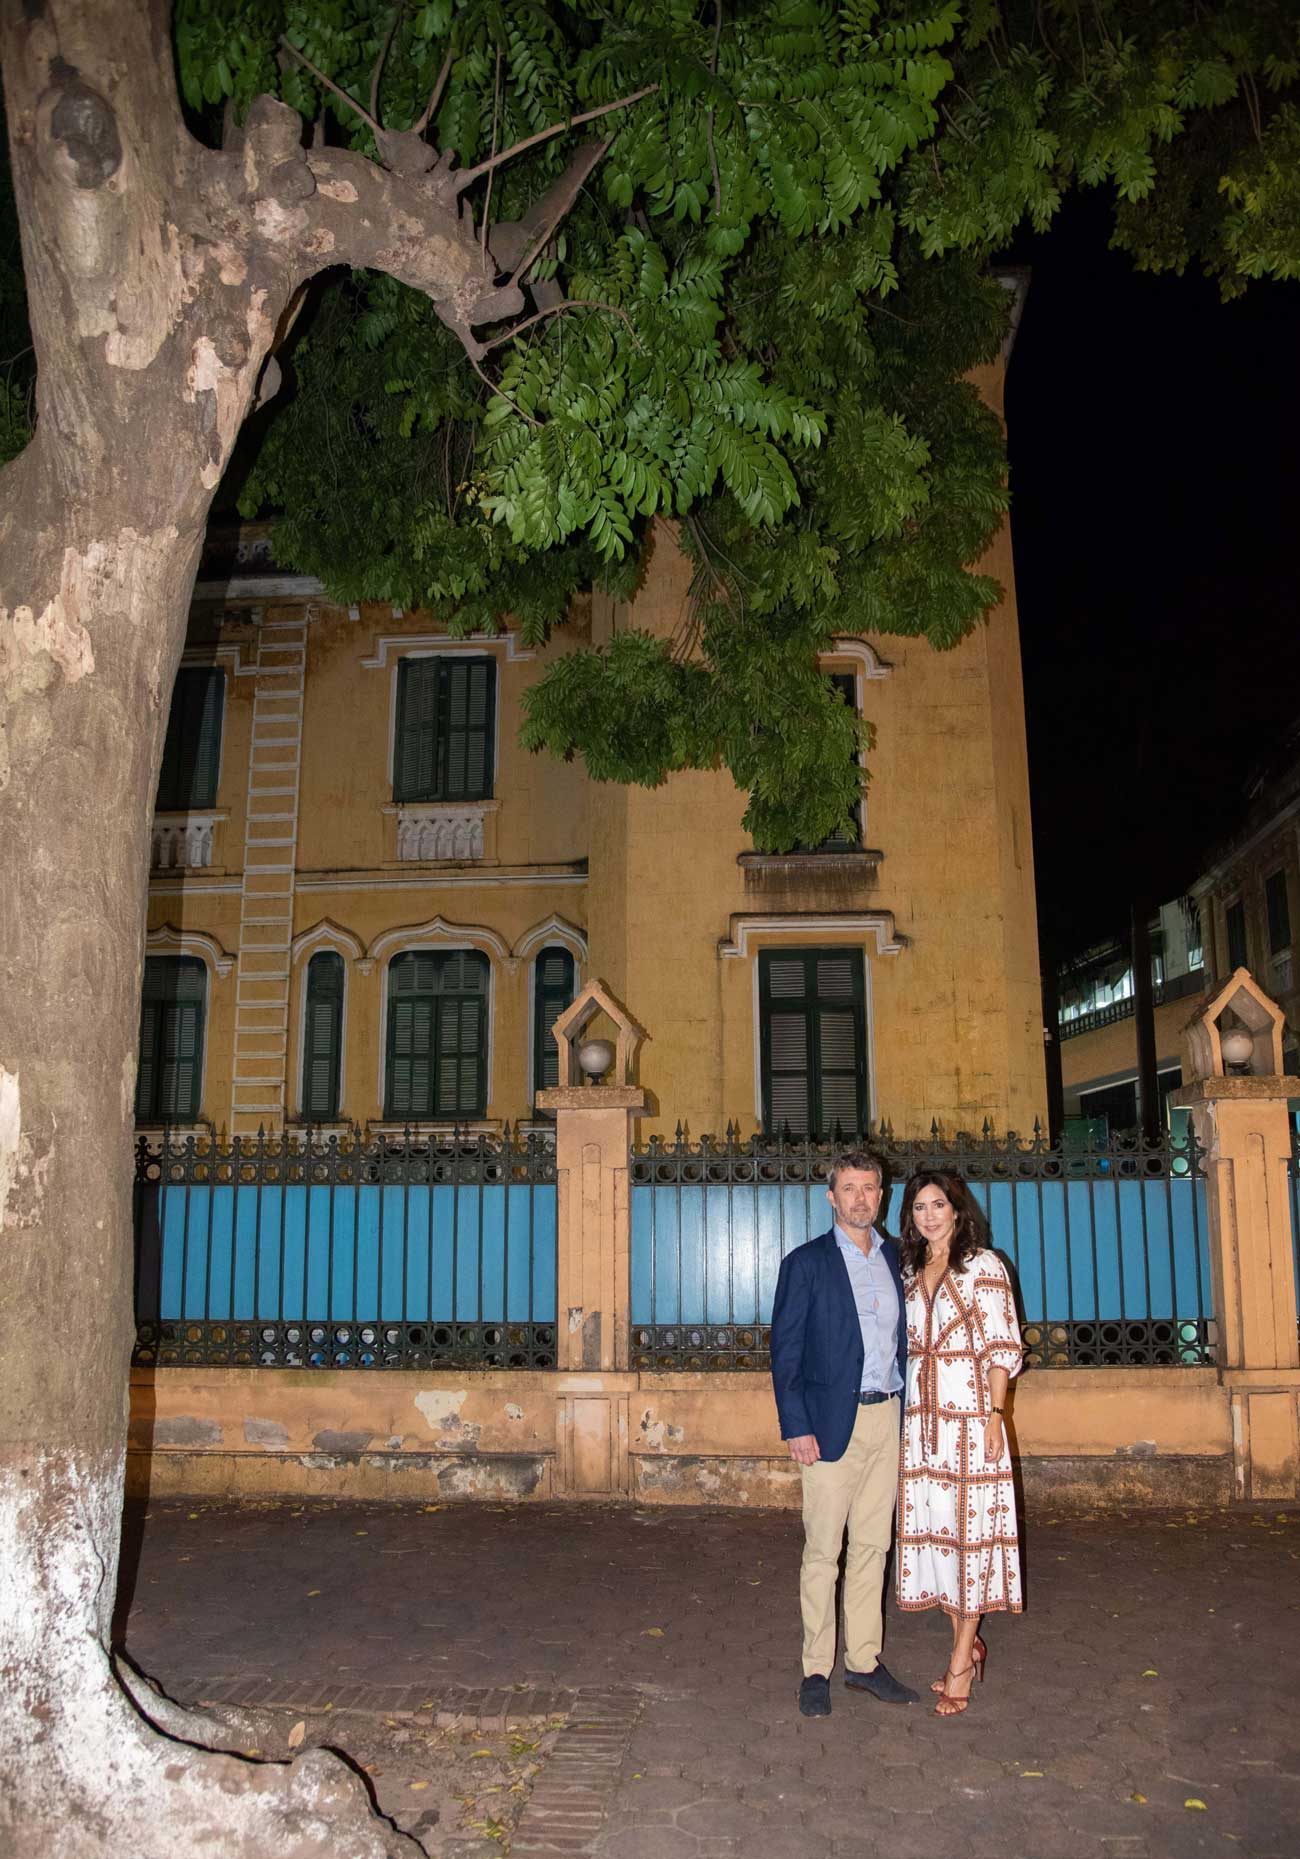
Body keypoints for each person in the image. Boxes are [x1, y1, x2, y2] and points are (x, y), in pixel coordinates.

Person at [770, 1150, 918, 1717]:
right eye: (850, 1188)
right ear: (831, 1197)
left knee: (875, 1545)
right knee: (823, 1550)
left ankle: (863, 1662)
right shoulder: (806, 1263)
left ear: (882, 1195)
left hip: (889, 1418)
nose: (861, 1198)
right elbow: (785, 1353)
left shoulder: (900, 1259)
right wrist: (797, 1427)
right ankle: (815, 1669)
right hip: (830, 1424)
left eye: (871, 1188)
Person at [895, 1169, 1024, 1717]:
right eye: (919, 1207)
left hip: (970, 1420)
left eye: (938, 1204)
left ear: (957, 1209)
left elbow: (1002, 1345)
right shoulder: (906, 1269)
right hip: (920, 1424)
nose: (929, 1215)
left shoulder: (983, 1266)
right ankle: (965, 1640)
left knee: (971, 1537)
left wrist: (996, 1414)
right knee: (935, 1536)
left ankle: (959, 1665)